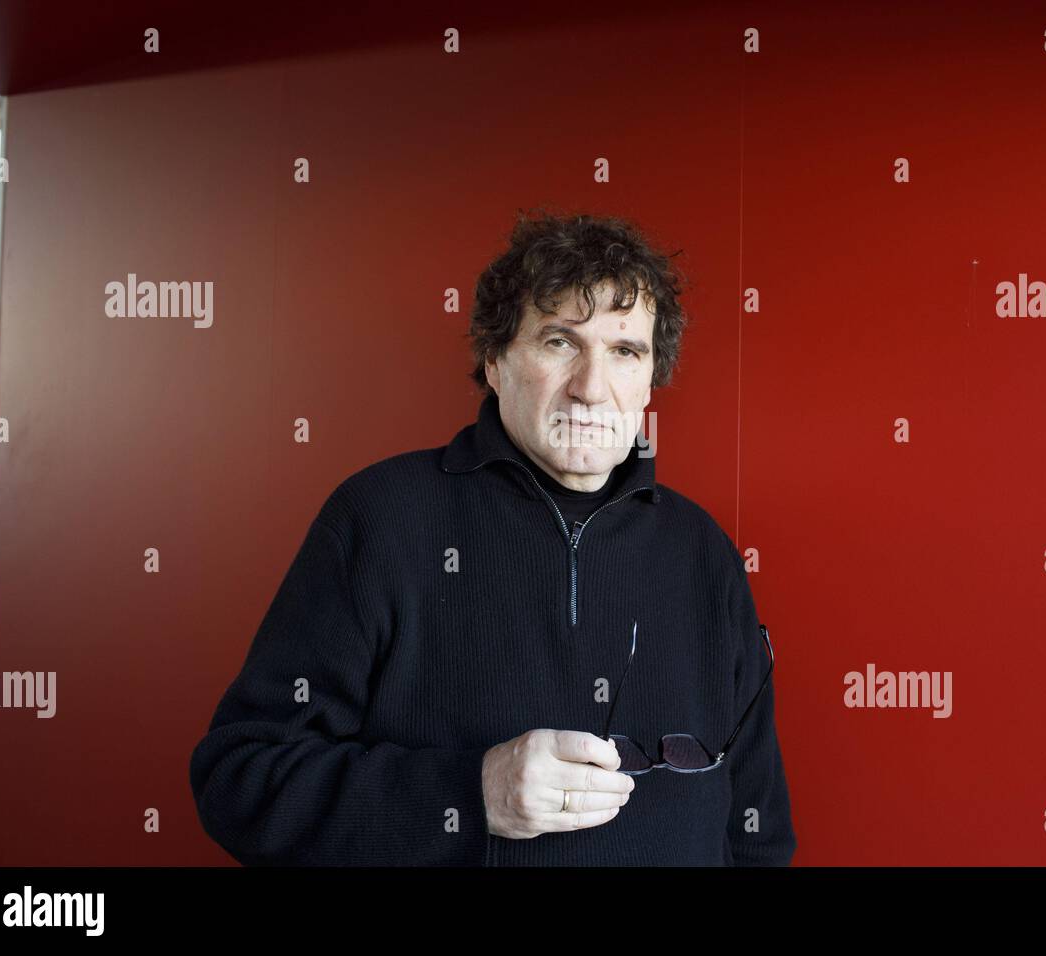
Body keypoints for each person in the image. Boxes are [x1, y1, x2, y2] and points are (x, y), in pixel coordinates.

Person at [189, 209, 797, 866]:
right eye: (560, 342)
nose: (592, 389)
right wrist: (473, 794)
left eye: (624, 351)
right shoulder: (383, 518)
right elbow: (242, 781)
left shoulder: (703, 553)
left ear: (649, 381)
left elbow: (756, 833)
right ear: (496, 357)